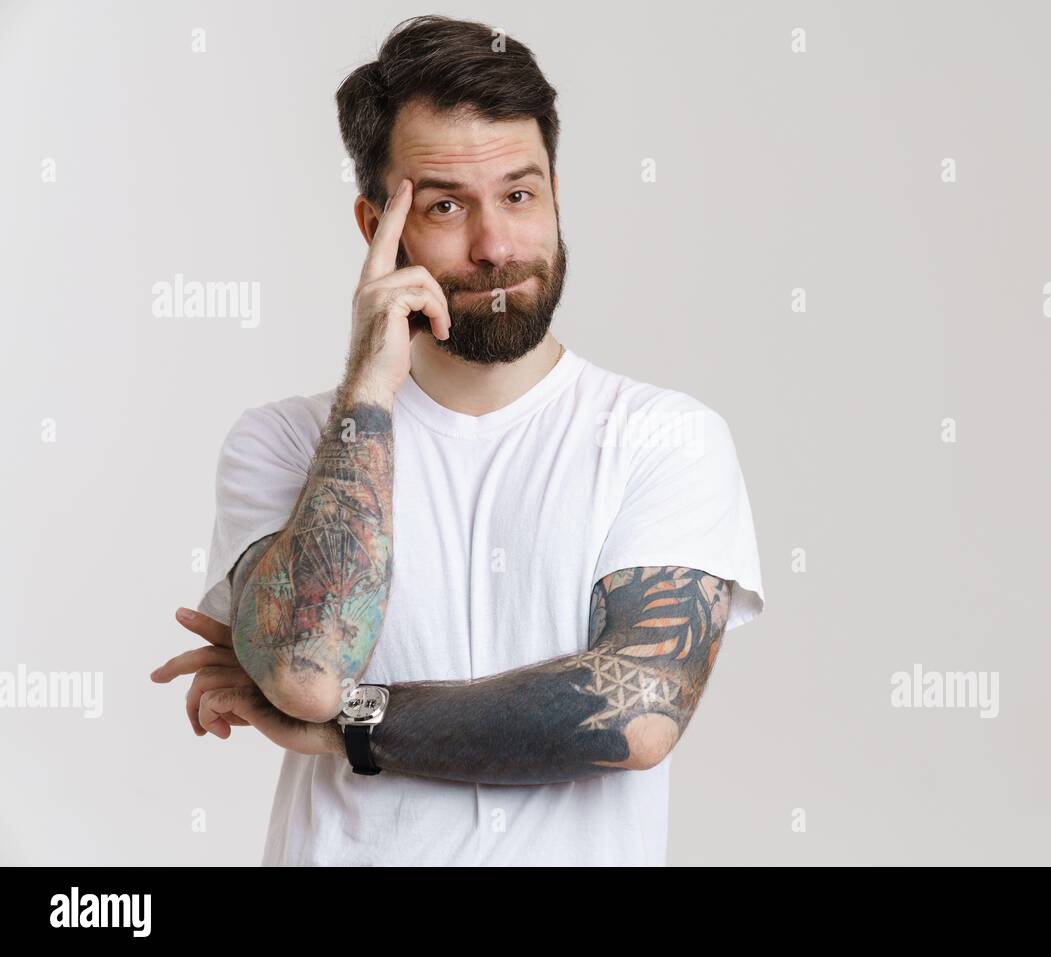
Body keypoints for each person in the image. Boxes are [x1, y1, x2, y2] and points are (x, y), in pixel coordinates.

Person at [150, 14, 764, 866]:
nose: (496, 246)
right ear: (377, 227)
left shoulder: (665, 437)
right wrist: (370, 384)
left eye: (521, 194)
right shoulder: (283, 442)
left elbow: (635, 713)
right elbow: (306, 675)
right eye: (445, 205)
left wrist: (349, 730)